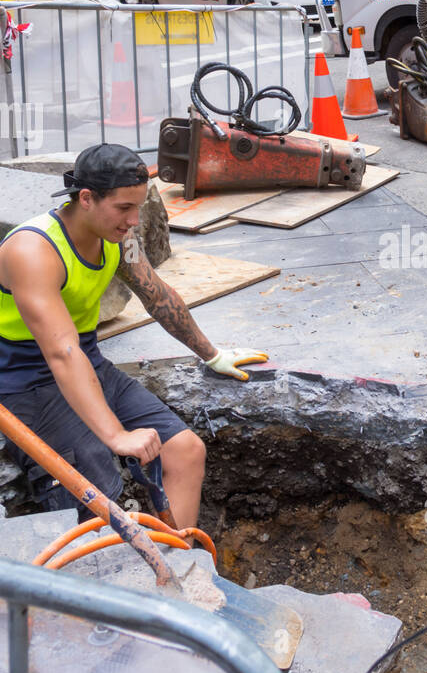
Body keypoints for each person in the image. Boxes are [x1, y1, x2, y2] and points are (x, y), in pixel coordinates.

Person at [0, 144, 268, 530]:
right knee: (96, 489)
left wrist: (212, 355)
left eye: (138, 207)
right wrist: (116, 435)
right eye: (124, 208)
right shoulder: (33, 250)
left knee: (185, 451)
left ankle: (174, 571)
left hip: (86, 360)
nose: (134, 220)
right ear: (87, 198)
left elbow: (156, 296)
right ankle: (92, 585)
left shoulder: (117, 239)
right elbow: (60, 352)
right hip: (25, 383)